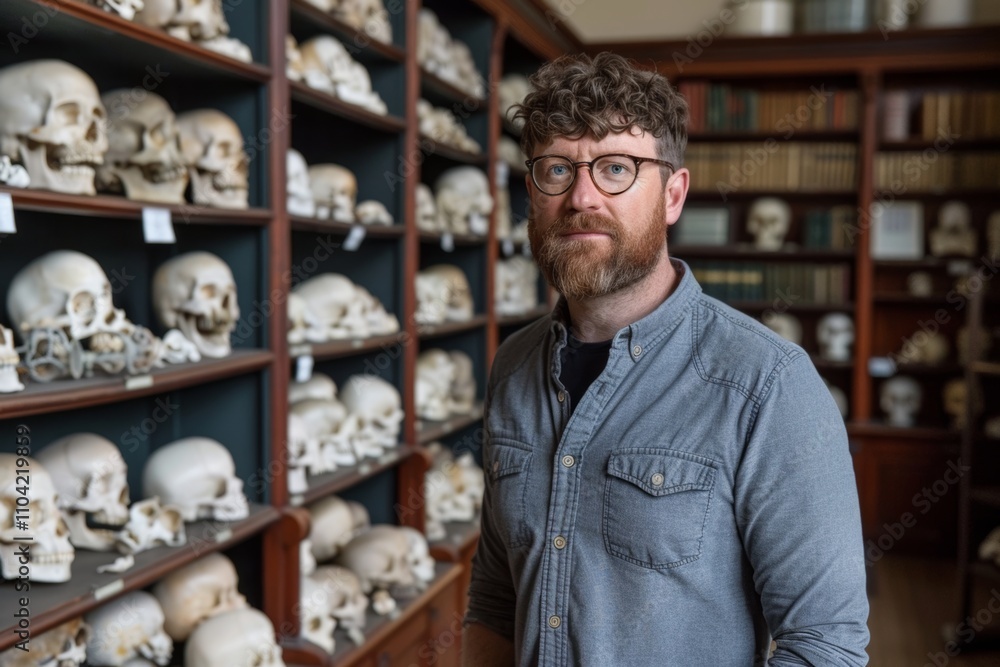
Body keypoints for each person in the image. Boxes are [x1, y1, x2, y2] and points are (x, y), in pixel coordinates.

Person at [462, 52, 869, 666]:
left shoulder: (768, 386)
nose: (581, 198)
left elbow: (825, 646)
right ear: (530, 192)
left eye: (616, 169)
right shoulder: (512, 367)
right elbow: (496, 595)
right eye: (555, 170)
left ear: (673, 195)